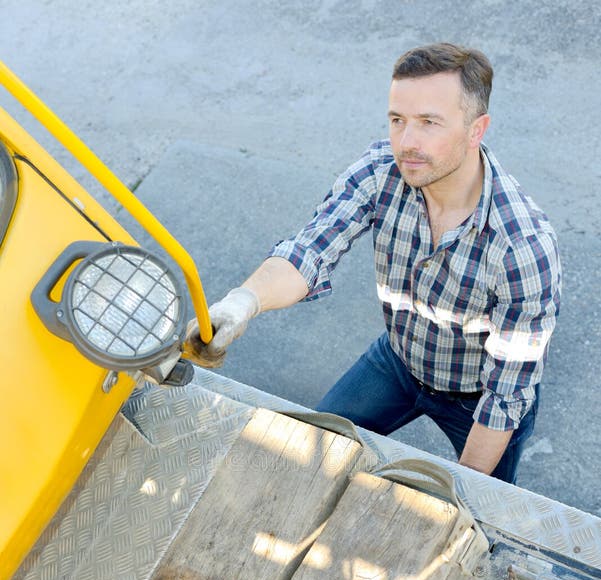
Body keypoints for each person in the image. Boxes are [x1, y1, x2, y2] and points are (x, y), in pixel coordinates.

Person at [187, 42, 561, 484]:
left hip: (478, 398)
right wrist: (242, 302)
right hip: (399, 361)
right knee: (307, 459)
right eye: (397, 120)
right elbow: (310, 251)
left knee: (481, 520)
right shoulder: (382, 170)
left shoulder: (523, 247)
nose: (407, 143)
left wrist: (461, 496)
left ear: (476, 129)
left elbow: (505, 396)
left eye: (429, 123)